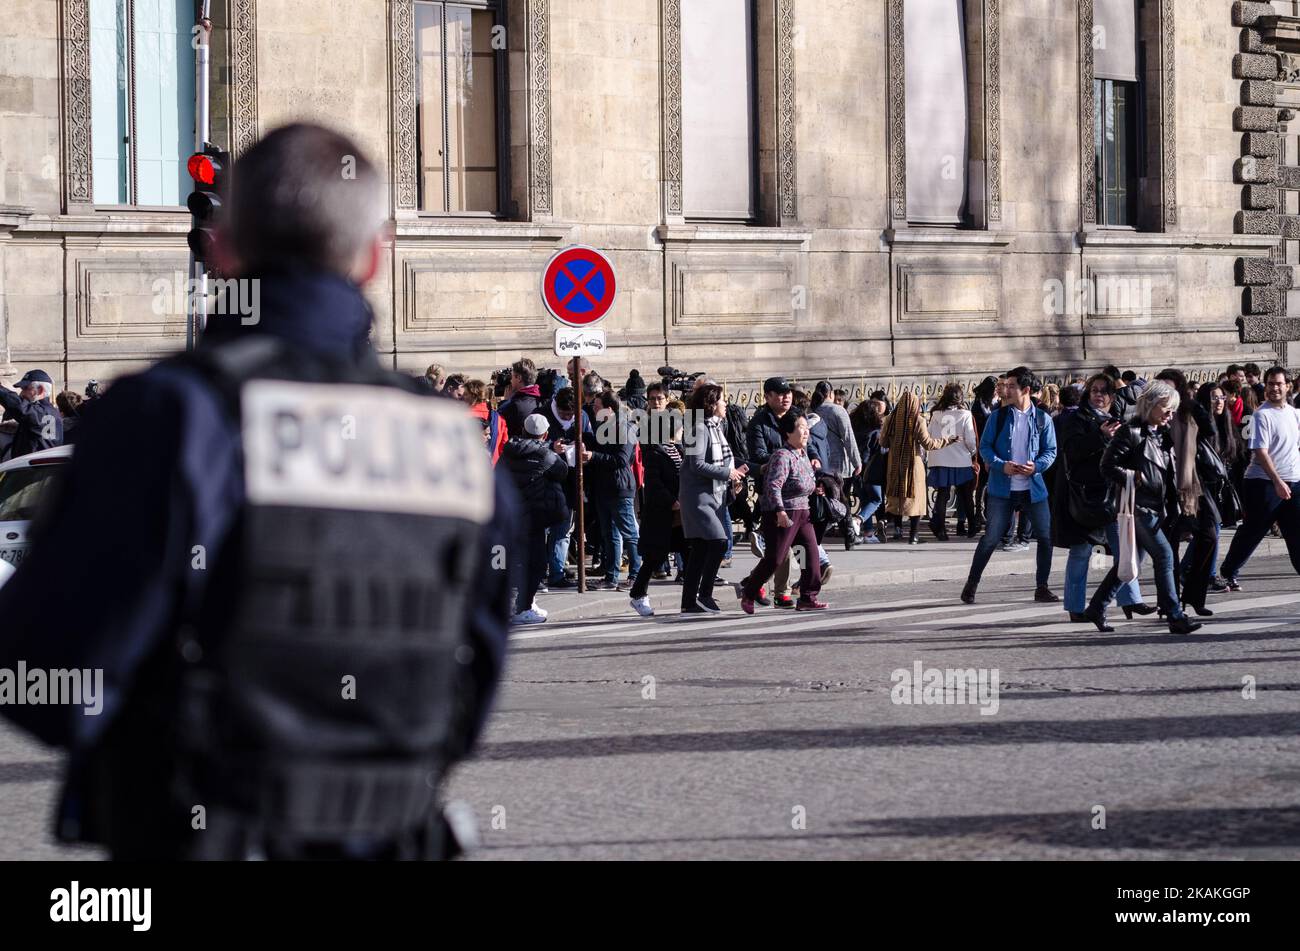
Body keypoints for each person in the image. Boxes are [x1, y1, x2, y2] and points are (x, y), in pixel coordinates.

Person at [0, 122, 514, 860]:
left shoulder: (173, 417)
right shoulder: (455, 443)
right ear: (375, 256)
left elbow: (40, 674)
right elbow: (470, 690)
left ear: (221, 247)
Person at [1085, 381, 1202, 635]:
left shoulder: (1163, 432)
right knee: (1165, 556)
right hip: (1138, 507)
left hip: (1156, 507)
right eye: (1166, 409)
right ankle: (1174, 615)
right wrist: (1134, 476)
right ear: (1150, 405)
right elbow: (1107, 466)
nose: (1170, 414)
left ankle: (1097, 606)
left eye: (1172, 410)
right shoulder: (1131, 432)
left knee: (1129, 562)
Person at [1053, 373, 1153, 622]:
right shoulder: (1078, 419)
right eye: (1094, 390)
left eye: (1104, 391)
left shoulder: (1116, 420)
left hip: (1111, 494)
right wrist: (1100, 436)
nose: (1098, 395)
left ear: (1111, 396)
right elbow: (1071, 451)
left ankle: (1131, 599)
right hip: (1085, 496)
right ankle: (1075, 608)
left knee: (1124, 550)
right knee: (1081, 552)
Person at [961, 368, 1059, 604]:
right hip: (1002, 489)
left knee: (1046, 537)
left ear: (1025, 390)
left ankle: (1042, 586)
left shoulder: (1042, 419)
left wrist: (1036, 466)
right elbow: (984, 447)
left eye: (1012, 385)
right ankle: (972, 584)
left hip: (1033, 488)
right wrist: (1000, 465)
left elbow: (1051, 451)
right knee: (991, 538)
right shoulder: (999, 416)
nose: (1006, 389)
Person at [1217, 367, 1300, 587]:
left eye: (1279, 384)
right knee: (1254, 531)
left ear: (1287, 386)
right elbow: (1260, 452)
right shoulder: (1261, 414)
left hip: (1293, 481)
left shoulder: (1294, 414)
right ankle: (1229, 570)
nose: (1274, 388)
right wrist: (1277, 481)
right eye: (1271, 383)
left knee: (1296, 533)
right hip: (1263, 483)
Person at [736, 413, 826, 613]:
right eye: (801, 427)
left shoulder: (803, 454)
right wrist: (780, 511)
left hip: (804, 512)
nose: (806, 431)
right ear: (788, 433)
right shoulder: (782, 456)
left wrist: (818, 488)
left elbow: (806, 482)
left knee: (810, 555)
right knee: (775, 558)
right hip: (782, 514)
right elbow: (773, 486)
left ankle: (808, 597)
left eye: (806, 427)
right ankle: (749, 592)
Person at [1153, 369, 1223, 617]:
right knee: (1168, 549)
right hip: (1163, 488)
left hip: (1192, 484)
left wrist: (1192, 407)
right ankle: (1168, 602)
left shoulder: (1189, 409)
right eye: (1161, 388)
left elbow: (1211, 432)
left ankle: (1194, 595)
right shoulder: (1152, 415)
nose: (1166, 393)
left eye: (1170, 388)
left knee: (1209, 537)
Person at [680, 383, 745, 614]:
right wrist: (728, 473)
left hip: (711, 494)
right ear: (711, 403)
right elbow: (696, 464)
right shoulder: (698, 428)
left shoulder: (715, 426)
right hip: (698, 496)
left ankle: (688, 602)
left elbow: (724, 459)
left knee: (699, 548)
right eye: (721, 400)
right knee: (719, 542)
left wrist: (745, 469)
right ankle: (705, 595)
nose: (725, 403)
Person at [500, 414, 570, 625]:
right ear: (546, 434)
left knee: (514, 562)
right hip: (533, 515)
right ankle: (523, 606)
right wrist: (552, 450)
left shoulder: (509, 450)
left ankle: (520, 603)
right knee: (537, 564)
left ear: (523, 430)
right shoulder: (546, 455)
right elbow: (562, 471)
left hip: (511, 514)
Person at [627, 405, 687, 617]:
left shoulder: (678, 449)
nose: (682, 430)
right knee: (654, 557)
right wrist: (672, 501)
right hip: (663, 514)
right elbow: (653, 484)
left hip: (680, 516)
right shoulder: (654, 451)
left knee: (691, 551)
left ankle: (694, 595)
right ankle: (638, 595)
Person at [880, 389, 957, 544]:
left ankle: (897, 530)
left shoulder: (890, 419)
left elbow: (883, 442)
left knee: (897, 496)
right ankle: (914, 536)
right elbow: (928, 444)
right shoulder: (918, 420)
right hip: (913, 465)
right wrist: (947, 440)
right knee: (916, 498)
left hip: (894, 464)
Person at [583, 391, 641, 590]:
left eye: (597, 407)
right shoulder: (603, 428)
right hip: (604, 487)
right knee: (610, 534)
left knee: (629, 533)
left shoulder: (626, 428)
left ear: (609, 409)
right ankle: (611, 576)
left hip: (620, 487)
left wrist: (593, 456)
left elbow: (620, 460)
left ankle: (636, 575)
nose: (594, 410)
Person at [539, 386, 592, 590]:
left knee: (563, 530)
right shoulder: (542, 415)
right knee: (543, 529)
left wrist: (585, 448)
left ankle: (557, 572)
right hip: (546, 481)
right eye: (564, 414)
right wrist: (551, 447)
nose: (568, 417)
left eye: (571, 414)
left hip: (571, 481)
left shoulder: (583, 416)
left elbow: (589, 439)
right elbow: (530, 443)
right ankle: (541, 570)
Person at [810, 381, 862, 550]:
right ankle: (849, 536)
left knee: (830, 500)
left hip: (822, 463)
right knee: (841, 500)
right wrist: (857, 461)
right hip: (840, 464)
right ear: (830, 393)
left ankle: (845, 535)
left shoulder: (813, 412)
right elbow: (849, 438)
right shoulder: (838, 410)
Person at [926, 382, 979, 539]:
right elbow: (970, 438)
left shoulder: (936, 414)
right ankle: (972, 526)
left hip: (940, 457)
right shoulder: (965, 414)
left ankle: (941, 530)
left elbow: (929, 435)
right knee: (966, 494)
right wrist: (973, 452)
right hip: (960, 458)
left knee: (942, 493)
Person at [0, 369, 64, 459]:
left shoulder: (42, 412)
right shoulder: (49, 411)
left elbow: (20, 407)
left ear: (40, 390)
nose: (21, 393)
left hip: (35, 470)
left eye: (26, 388)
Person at [849, 399, 887, 543]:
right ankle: (858, 520)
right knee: (876, 499)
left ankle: (868, 533)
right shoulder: (875, 432)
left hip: (856, 470)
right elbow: (878, 451)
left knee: (865, 499)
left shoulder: (854, 429)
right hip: (871, 471)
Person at [498, 358, 542, 438]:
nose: (511, 381)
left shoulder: (515, 405)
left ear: (519, 378)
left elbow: (499, 423)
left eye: (512, 377)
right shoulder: (539, 399)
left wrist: (506, 401)